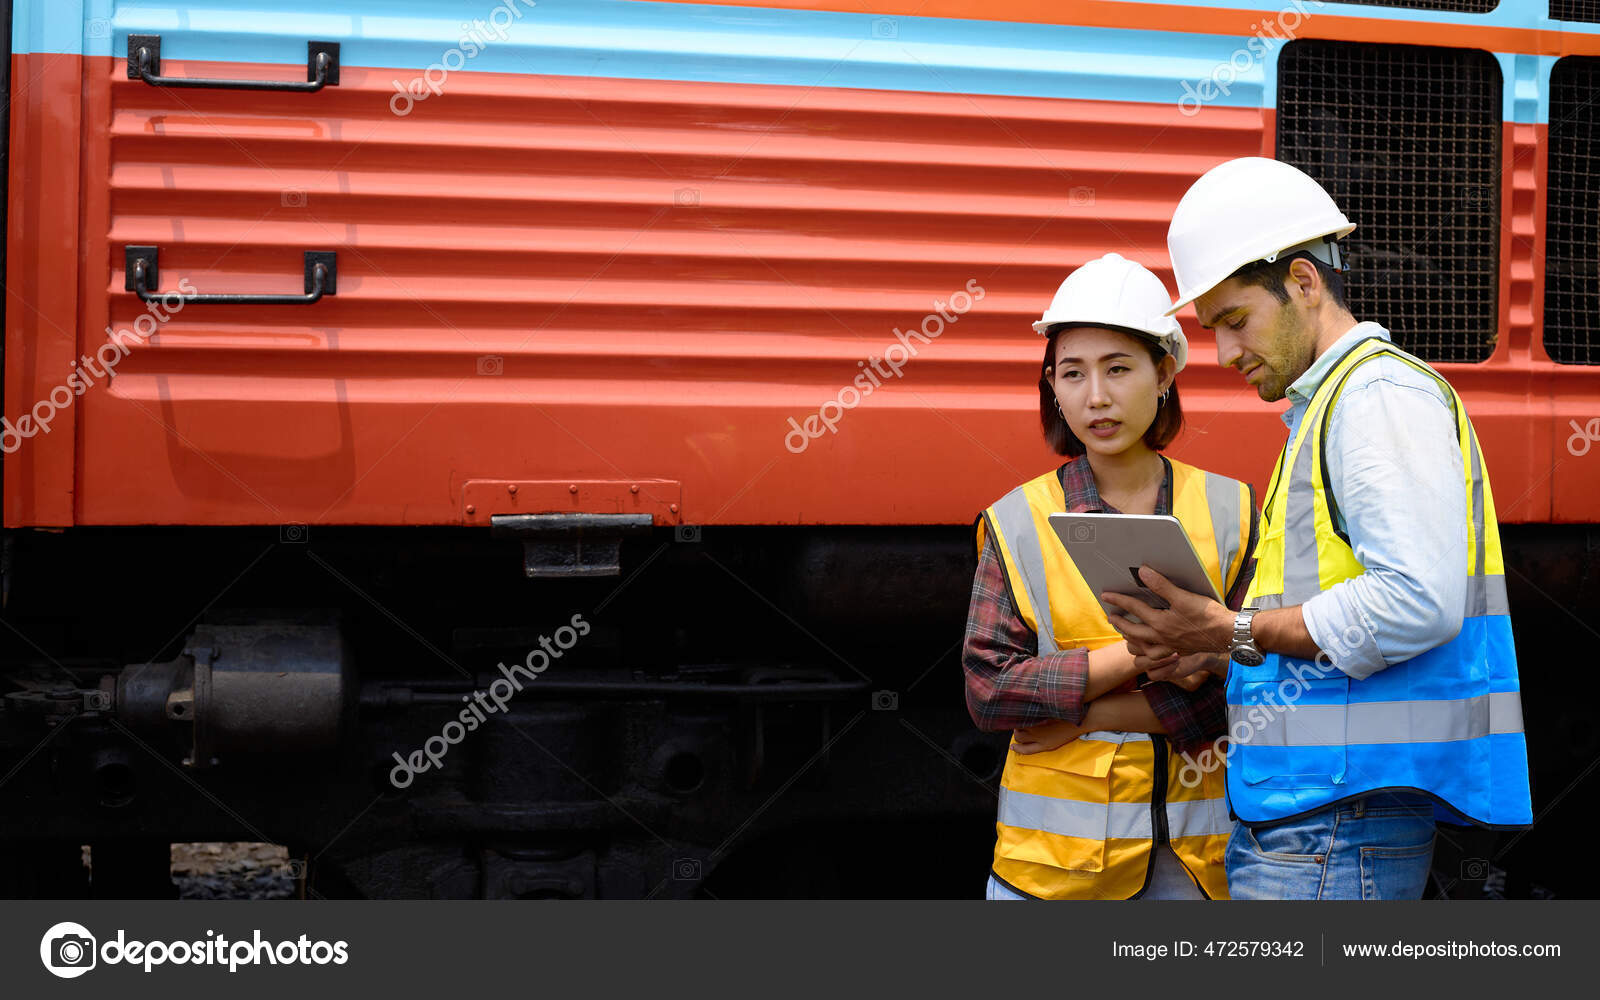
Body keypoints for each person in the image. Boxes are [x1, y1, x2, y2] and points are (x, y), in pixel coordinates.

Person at [1102, 157, 1533, 900]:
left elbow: (1413, 604)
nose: (1226, 354)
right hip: (1325, 816)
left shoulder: (1374, 399)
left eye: (1235, 321)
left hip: (1337, 823)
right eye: (1211, 330)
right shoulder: (1334, 407)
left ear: (1303, 282)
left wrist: (1229, 630)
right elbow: (1330, 621)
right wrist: (1219, 652)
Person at [961, 252, 1258, 900]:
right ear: (1052, 385)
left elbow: (1249, 690)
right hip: (1048, 877)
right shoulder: (1016, 521)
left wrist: (1086, 714)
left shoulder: (1234, 510)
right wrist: (1139, 655)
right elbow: (990, 692)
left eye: (1118, 369)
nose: (1095, 396)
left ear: (1164, 374)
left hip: (1198, 871)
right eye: (1072, 373)